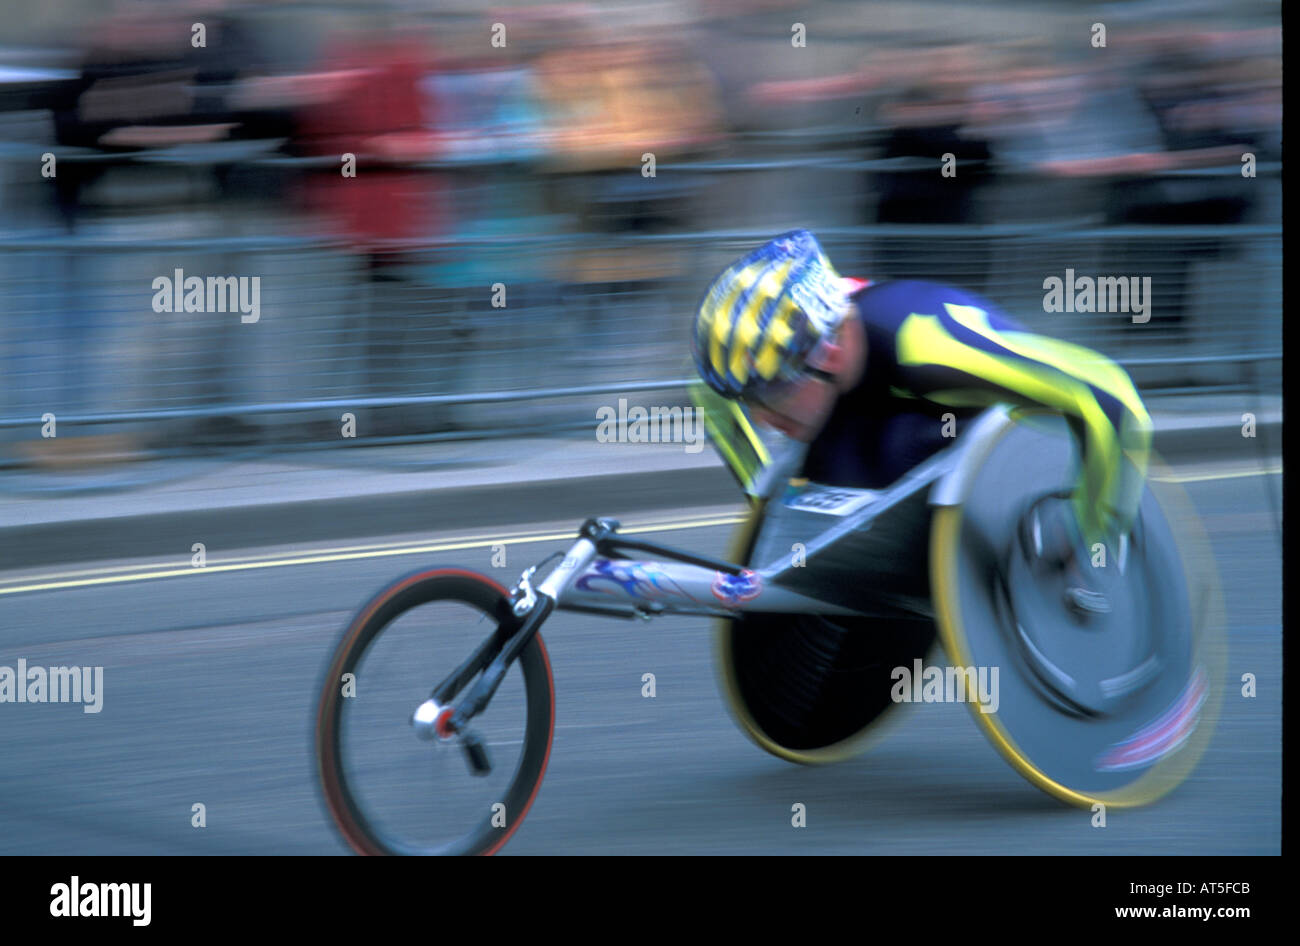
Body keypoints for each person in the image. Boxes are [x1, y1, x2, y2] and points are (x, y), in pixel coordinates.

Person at [691, 230, 1153, 610]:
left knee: (873, 456)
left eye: (772, 392)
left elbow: (1109, 396)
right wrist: (767, 499)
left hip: (955, 419)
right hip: (869, 403)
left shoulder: (926, 344)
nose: (762, 419)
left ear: (827, 353)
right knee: (817, 470)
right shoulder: (797, 356)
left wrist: (1085, 539)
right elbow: (713, 398)